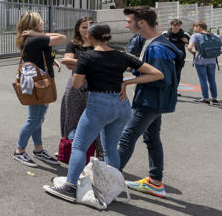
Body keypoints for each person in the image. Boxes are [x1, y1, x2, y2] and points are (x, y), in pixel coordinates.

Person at [44, 23, 164, 203]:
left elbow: (77, 85)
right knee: (110, 149)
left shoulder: (86, 56)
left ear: (90, 38)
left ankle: (69, 187)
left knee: (79, 146)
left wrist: (82, 68)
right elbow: (156, 73)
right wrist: (127, 83)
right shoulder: (122, 55)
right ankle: (111, 189)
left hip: (98, 105)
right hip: (121, 106)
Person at [118, 6, 181, 198]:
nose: (126, 25)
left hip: (150, 102)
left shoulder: (157, 47)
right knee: (151, 138)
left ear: (142, 23)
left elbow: (160, 77)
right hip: (155, 101)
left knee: (127, 138)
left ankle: (106, 181)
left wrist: (128, 81)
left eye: (129, 21)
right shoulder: (155, 42)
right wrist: (136, 70)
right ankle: (155, 181)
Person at [12, 11, 66, 167]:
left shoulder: (32, 39)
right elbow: (62, 37)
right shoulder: (35, 39)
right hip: (39, 84)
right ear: (34, 25)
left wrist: (52, 60)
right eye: (40, 20)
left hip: (36, 82)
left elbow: (38, 54)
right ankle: (19, 151)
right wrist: (38, 34)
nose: (43, 21)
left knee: (38, 118)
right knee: (34, 119)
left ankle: (38, 149)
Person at [58, 16, 97, 163]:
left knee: (93, 120)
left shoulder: (98, 44)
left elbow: (73, 62)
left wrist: (80, 63)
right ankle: (69, 150)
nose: (86, 30)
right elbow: (67, 62)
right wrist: (94, 63)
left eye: (89, 27)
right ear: (78, 29)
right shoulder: (73, 44)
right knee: (71, 117)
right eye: (83, 27)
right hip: (75, 85)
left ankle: (94, 153)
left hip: (94, 85)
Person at [187, 21, 222, 105]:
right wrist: (217, 54)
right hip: (212, 61)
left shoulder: (195, 36)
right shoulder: (215, 36)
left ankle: (205, 98)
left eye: (194, 27)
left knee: (203, 79)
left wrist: (194, 53)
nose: (194, 29)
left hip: (200, 60)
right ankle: (215, 98)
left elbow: (189, 47)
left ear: (199, 27)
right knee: (212, 80)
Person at [163, 19, 191, 94]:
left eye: (178, 26)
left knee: (177, 73)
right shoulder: (165, 34)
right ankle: (167, 88)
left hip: (180, 56)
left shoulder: (185, 34)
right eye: (175, 25)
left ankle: (175, 89)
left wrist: (187, 42)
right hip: (168, 56)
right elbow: (157, 43)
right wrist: (165, 41)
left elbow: (193, 43)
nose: (176, 27)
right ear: (171, 25)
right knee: (167, 72)